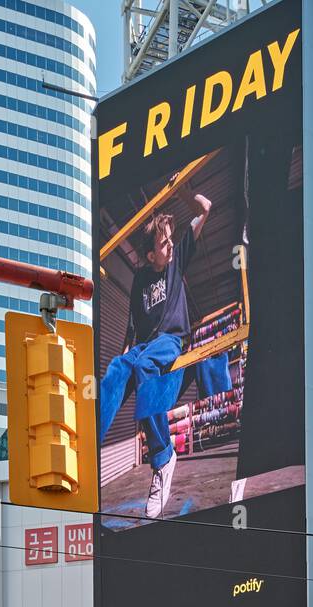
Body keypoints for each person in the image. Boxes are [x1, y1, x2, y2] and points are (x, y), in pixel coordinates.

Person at [97, 198, 213, 520]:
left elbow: (200, 219)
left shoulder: (177, 261)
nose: (170, 245)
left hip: (170, 341)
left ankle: (163, 458)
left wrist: (198, 206)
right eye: (163, 243)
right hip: (144, 344)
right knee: (118, 368)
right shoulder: (140, 278)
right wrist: (123, 349)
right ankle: (90, 443)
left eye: (170, 240)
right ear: (150, 255)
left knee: (145, 366)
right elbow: (133, 322)